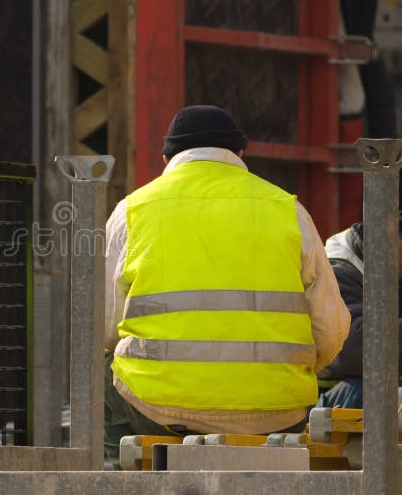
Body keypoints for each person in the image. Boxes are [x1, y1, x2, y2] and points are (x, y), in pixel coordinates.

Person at [103, 105, 351, 468]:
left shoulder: (133, 210)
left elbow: (102, 328)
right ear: (240, 153)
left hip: (158, 407)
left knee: (105, 371)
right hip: (276, 410)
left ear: (166, 157)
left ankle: (115, 483)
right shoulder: (288, 210)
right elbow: (332, 328)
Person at [317, 221, 402, 408]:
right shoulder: (337, 270)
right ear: (393, 239)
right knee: (375, 390)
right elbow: (352, 351)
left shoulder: (392, 272)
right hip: (322, 403)